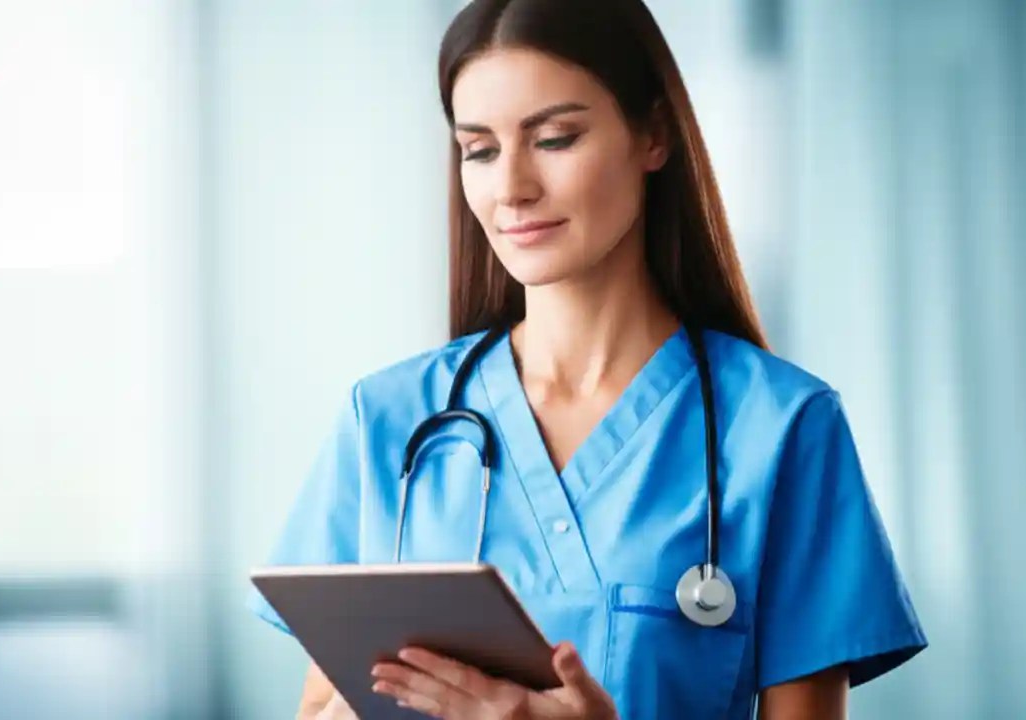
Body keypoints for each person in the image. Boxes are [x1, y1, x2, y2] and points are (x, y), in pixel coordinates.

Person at [247, 0, 927, 717]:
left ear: (654, 135)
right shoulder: (389, 419)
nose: (512, 188)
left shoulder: (782, 427)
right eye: (480, 150)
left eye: (555, 139)